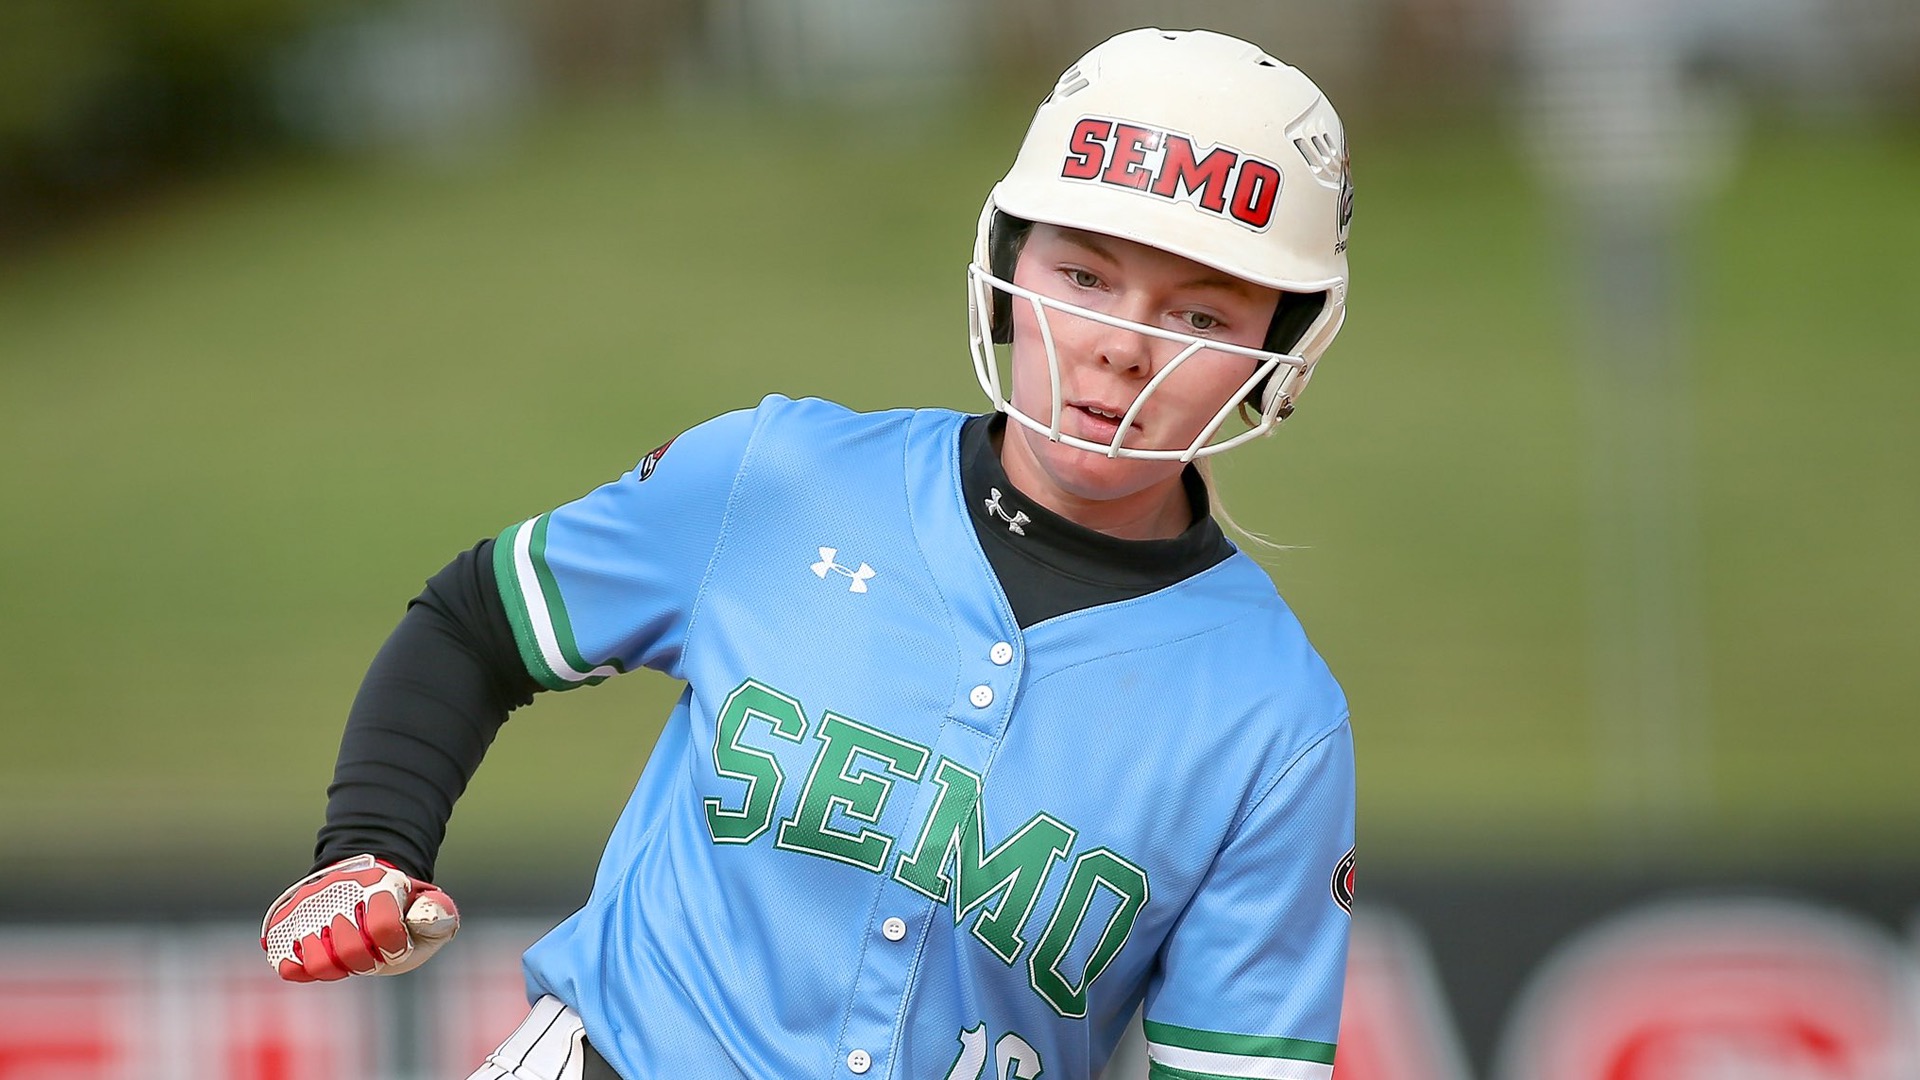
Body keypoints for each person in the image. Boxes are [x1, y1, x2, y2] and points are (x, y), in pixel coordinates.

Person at [262, 26, 1357, 1080]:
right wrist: (371, 843)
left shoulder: (1274, 719)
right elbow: (475, 621)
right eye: (1086, 275)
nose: (1123, 346)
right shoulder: (778, 478)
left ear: (1279, 352)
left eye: (1201, 316)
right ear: (1008, 265)